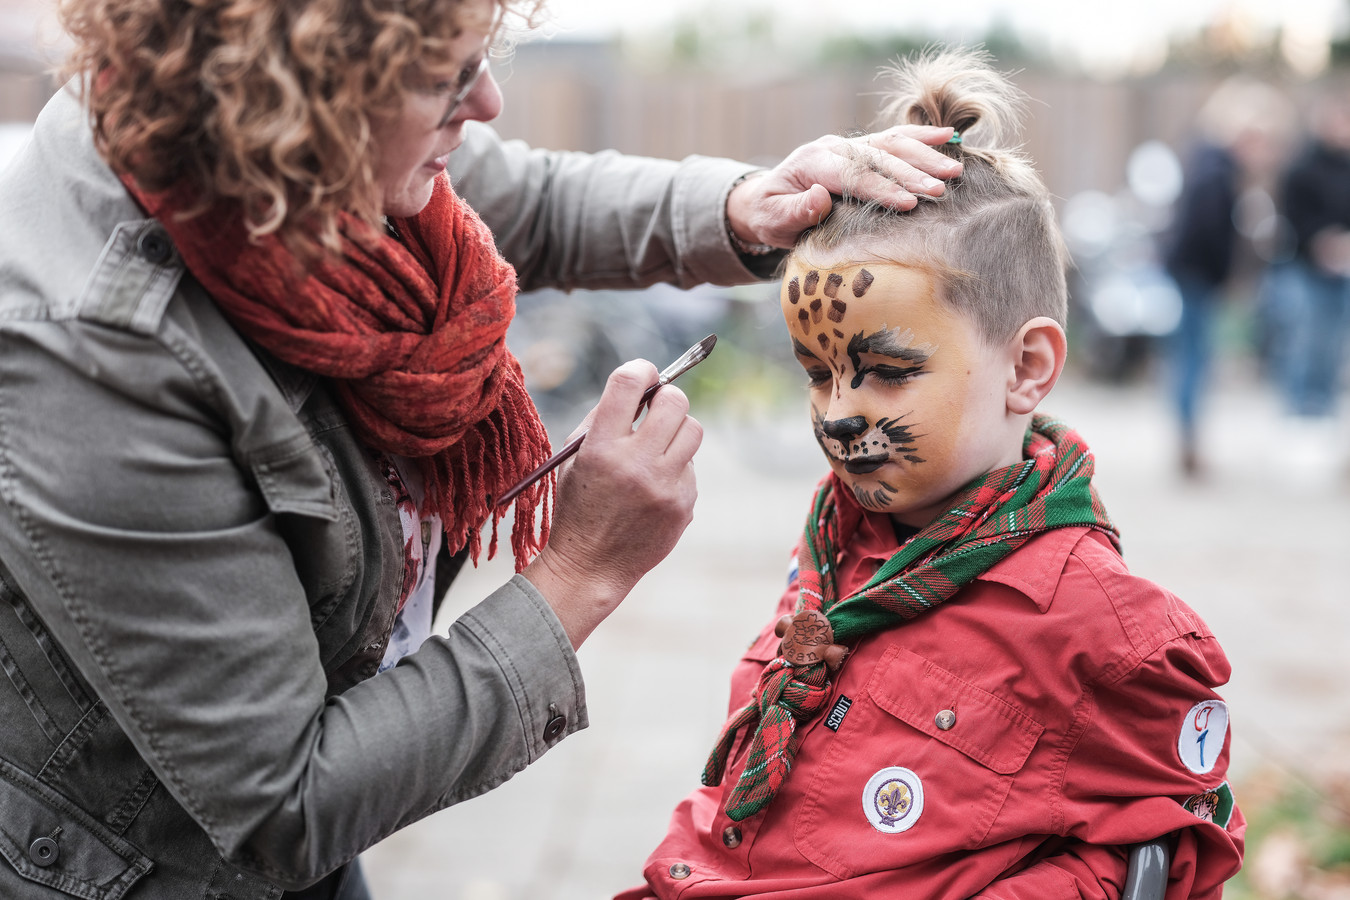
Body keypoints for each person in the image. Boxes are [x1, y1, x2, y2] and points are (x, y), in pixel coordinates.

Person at [0, 1, 965, 898]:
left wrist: (744, 206)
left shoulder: (302, 153)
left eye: (479, 59)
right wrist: (580, 567)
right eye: (445, 78)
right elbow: (281, 803)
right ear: (304, 91)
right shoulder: (95, 359)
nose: (488, 102)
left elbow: (527, 197)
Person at [618, 49, 1244, 900]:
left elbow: (1174, 840)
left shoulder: (1100, 623)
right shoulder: (837, 540)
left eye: (888, 371)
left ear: (1026, 367)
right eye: (817, 371)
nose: (839, 411)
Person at [1160, 77, 1287, 477]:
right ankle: (1188, 438)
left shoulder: (1208, 161)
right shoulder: (1217, 169)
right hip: (1197, 275)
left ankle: (1189, 437)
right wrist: (1222, 275)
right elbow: (1209, 230)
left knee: (1191, 355)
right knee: (1194, 358)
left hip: (1191, 272)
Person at [1271, 87, 1350, 428]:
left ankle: (1324, 412)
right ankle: (1299, 414)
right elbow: (1292, 216)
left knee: (1333, 347)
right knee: (1305, 341)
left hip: (1344, 267)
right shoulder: (1301, 166)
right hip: (1306, 266)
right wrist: (1321, 241)